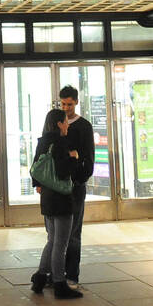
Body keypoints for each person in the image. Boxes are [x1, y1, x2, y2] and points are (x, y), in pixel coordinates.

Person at [30, 108, 83, 298]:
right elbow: (62, 172)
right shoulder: (60, 142)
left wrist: (38, 185)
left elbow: (35, 167)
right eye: (65, 122)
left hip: (47, 197)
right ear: (59, 124)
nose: (68, 124)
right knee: (61, 243)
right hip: (61, 198)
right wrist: (74, 158)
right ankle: (60, 284)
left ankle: (39, 278)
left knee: (52, 240)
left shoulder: (42, 142)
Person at [57, 85, 95, 289]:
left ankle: (72, 275)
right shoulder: (56, 123)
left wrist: (79, 179)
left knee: (73, 232)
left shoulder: (84, 126)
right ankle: (58, 274)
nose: (66, 108)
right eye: (63, 104)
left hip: (75, 185)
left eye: (69, 104)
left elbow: (88, 158)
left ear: (76, 102)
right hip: (59, 185)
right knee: (57, 233)